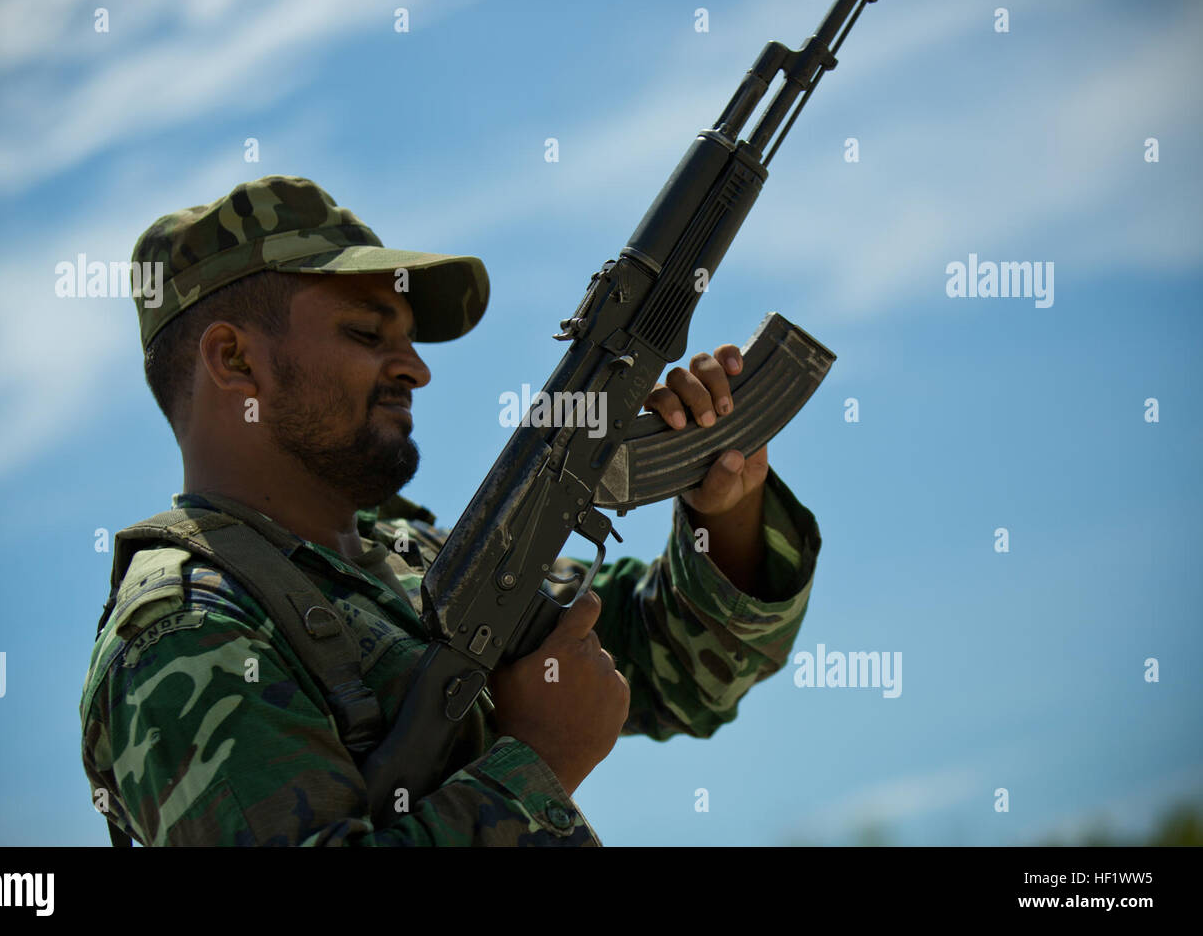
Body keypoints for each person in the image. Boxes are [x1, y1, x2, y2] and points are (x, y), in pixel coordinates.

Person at [80, 174, 821, 846]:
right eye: (368, 335)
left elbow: (684, 671)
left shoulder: (415, 559)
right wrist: (535, 763)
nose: (416, 368)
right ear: (235, 360)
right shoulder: (189, 628)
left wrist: (723, 501)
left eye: (406, 339)